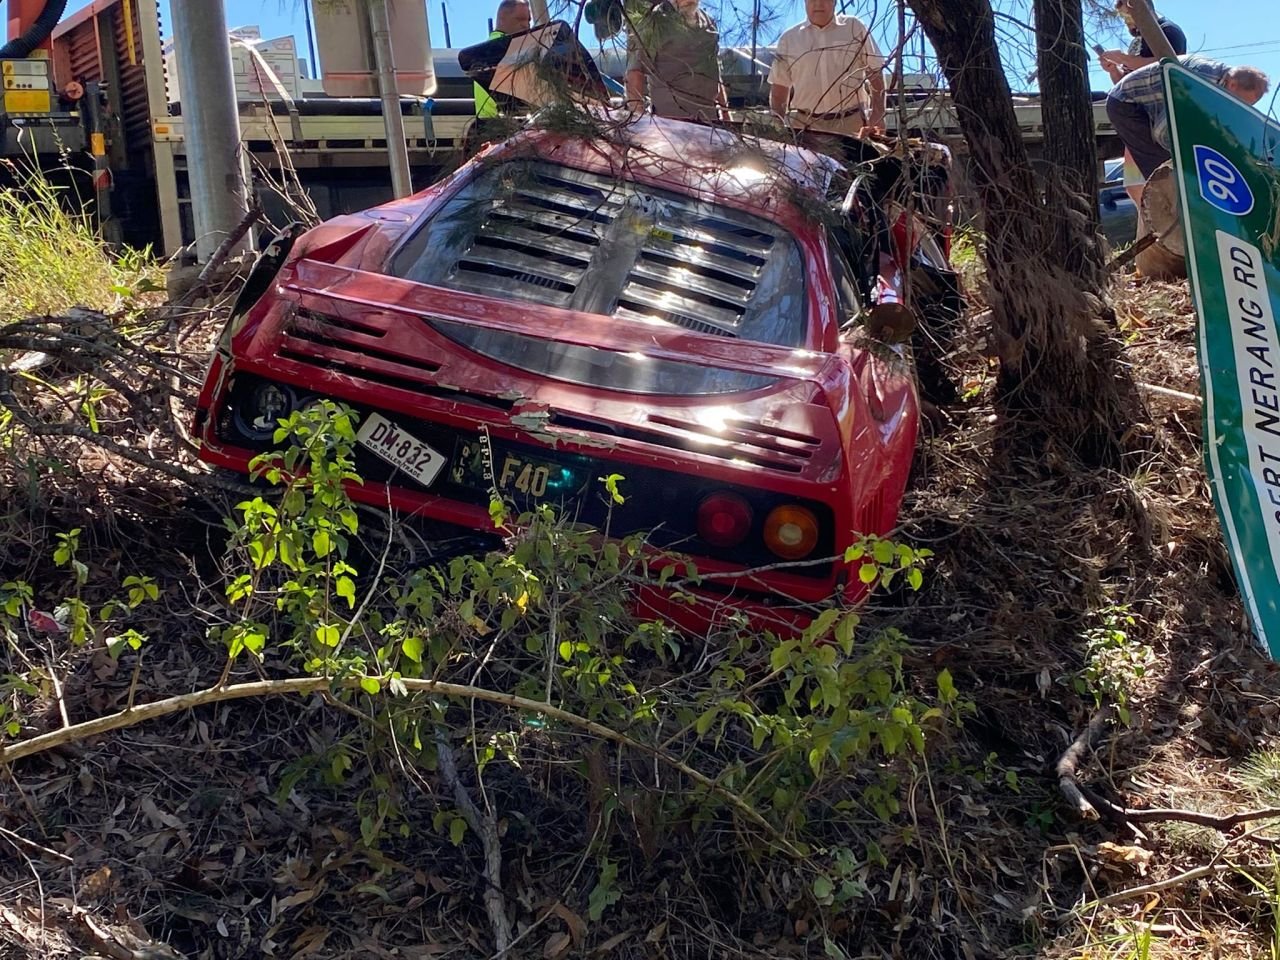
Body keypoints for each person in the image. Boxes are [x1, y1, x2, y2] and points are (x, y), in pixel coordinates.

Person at [1106, 56, 1269, 181]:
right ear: (1232, 84)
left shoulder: (1221, 81)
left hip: (1149, 104)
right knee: (1164, 171)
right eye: (1238, 102)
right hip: (1126, 103)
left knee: (1181, 168)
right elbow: (1163, 131)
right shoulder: (1201, 83)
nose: (1235, 109)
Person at [1096, 0, 1187, 220]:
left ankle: (1175, 220)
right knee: (1134, 184)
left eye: (1129, 15)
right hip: (1136, 117)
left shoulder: (1167, 31)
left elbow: (1165, 63)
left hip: (1159, 115)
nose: (1128, 22)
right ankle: (1152, 224)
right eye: (1123, 18)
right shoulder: (1136, 43)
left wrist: (1124, 58)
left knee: (1162, 178)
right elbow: (1127, 82)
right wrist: (1114, 70)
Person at [767, 0, 886, 138]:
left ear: (834, 2)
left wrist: (878, 114)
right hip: (805, 127)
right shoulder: (789, 39)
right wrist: (778, 127)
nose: (818, 4)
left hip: (852, 124)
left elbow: (875, 71)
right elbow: (779, 88)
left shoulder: (854, 27)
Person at [625, 0, 727, 122]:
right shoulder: (656, 22)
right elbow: (635, 72)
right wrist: (639, 121)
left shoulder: (709, 24)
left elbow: (714, 72)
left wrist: (726, 113)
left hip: (710, 121)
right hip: (670, 123)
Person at [474, 0, 532, 120]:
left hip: (492, 122)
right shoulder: (500, 48)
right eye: (520, 19)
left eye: (528, 20)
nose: (526, 25)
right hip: (500, 122)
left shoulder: (488, 48)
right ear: (502, 19)